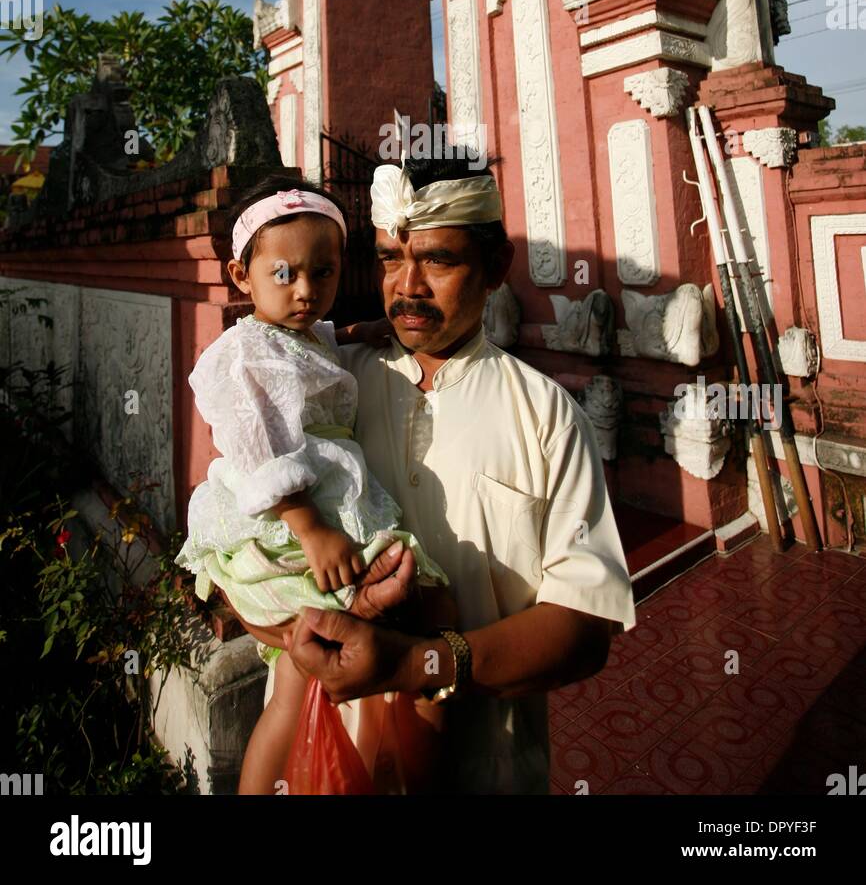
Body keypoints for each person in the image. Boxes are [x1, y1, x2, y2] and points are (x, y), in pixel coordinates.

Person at [243, 155, 637, 795]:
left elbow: (584, 628)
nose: (408, 287)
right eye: (391, 259)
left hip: (487, 769)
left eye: (440, 261)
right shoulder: (325, 387)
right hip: (321, 758)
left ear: (495, 269)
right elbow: (246, 521)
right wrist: (273, 620)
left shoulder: (547, 417)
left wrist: (415, 663)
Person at [175, 172, 450, 794]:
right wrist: (312, 528)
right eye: (284, 274)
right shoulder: (242, 354)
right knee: (348, 640)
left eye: (322, 274)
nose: (306, 291)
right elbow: (256, 448)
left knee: (297, 685)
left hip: (313, 502)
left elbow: (324, 339)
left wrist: (362, 333)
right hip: (286, 514)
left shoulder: (299, 332)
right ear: (240, 276)